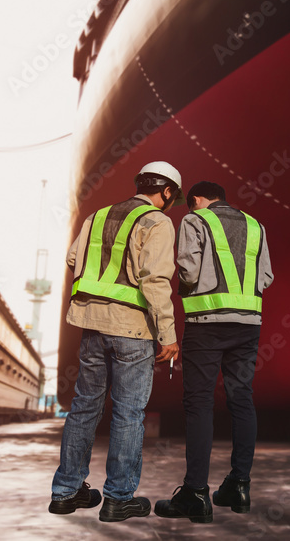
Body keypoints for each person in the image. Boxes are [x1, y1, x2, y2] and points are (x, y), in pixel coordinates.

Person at [50, 161, 184, 523]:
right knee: (128, 413)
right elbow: (155, 281)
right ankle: (118, 498)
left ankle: (65, 492)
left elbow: (73, 258)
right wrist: (168, 336)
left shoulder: (96, 216)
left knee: (83, 408)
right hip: (133, 329)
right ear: (166, 191)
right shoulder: (157, 222)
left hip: (91, 326)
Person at [155, 181, 273, 524]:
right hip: (248, 324)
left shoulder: (195, 219)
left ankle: (195, 494)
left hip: (206, 322)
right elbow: (266, 276)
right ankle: (239, 486)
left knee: (199, 403)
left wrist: (191, 289)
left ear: (196, 200)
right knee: (242, 399)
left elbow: (189, 270)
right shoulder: (256, 225)